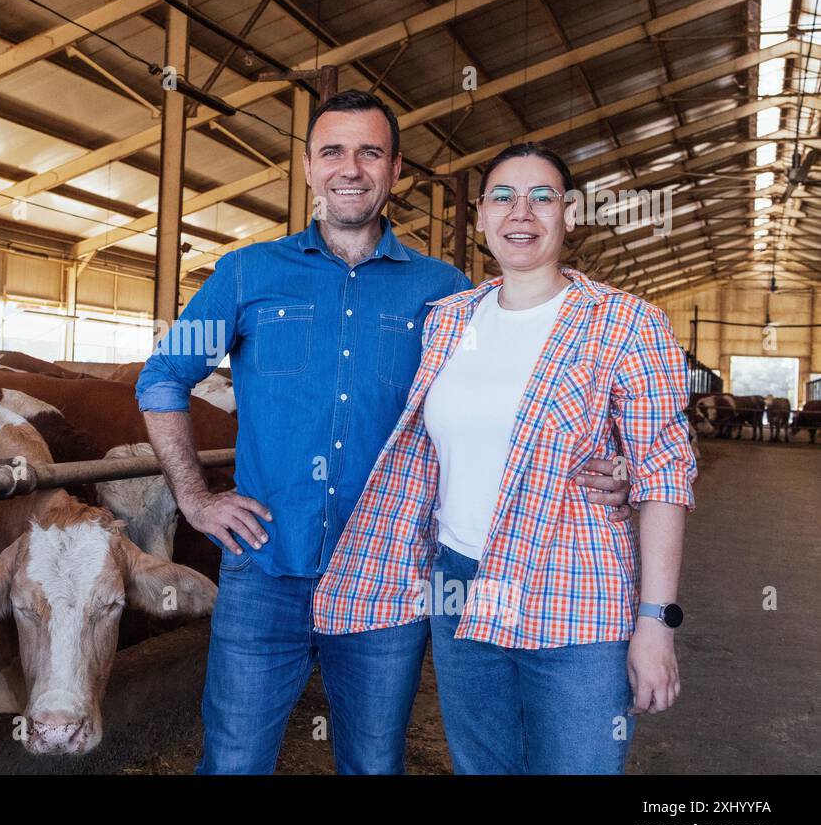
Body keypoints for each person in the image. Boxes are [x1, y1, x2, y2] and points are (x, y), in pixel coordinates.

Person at [136, 93, 632, 774]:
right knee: (232, 762)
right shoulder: (246, 274)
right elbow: (163, 375)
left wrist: (615, 460)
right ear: (308, 166)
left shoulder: (446, 293)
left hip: (389, 582)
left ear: (395, 168)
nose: (351, 167)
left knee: (373, 763)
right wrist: (194, 498)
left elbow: (520, 397)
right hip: (266, 571)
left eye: (370, 151)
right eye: (333, 150)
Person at [314, 142, 695, 774]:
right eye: (503, 197)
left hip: (578, 588)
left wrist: (656, 623)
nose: (523, 212)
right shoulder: (447, 320)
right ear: (482, 219)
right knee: (482, 764)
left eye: (542, 197)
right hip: (458, 579)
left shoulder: (626, 324)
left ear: (569, 214)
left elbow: (665, 472)